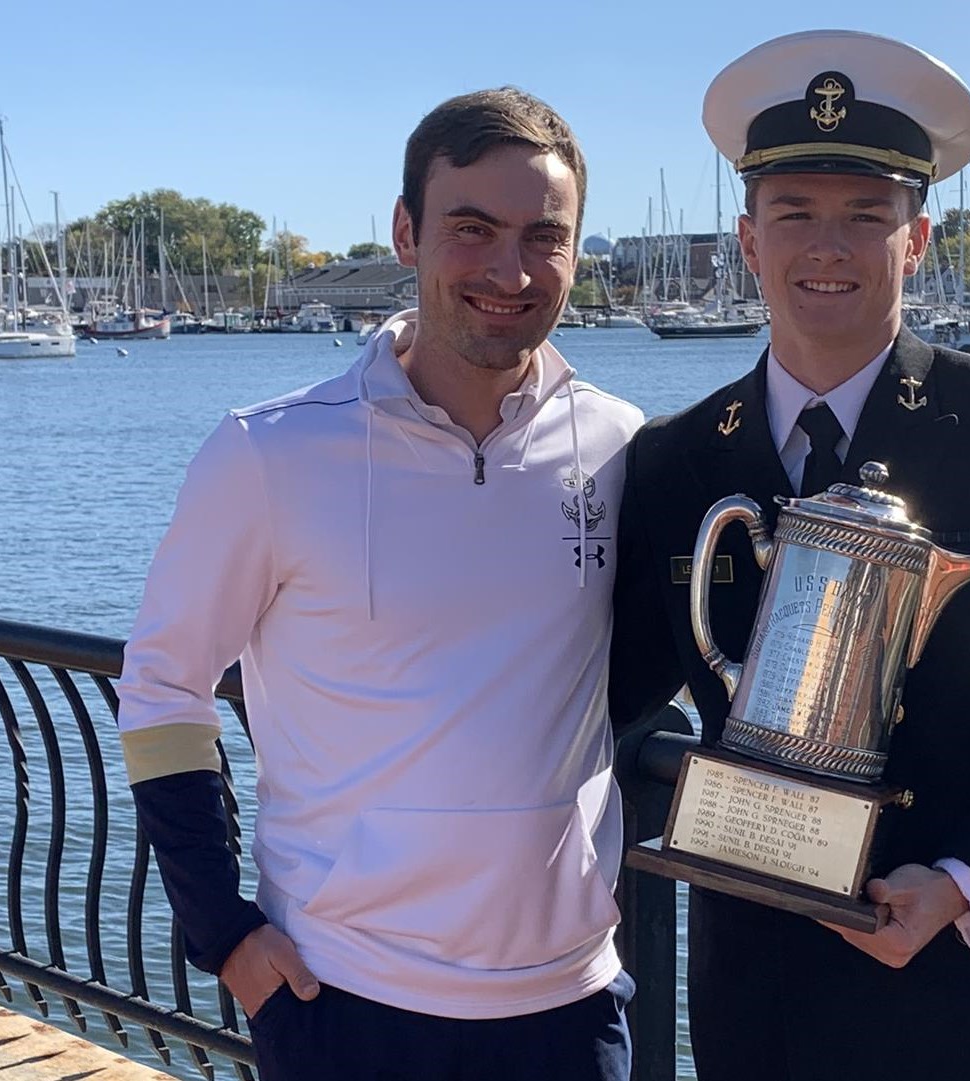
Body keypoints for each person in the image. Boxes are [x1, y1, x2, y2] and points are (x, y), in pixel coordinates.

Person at [608, 31, 970, 1080]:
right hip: (757, 1009)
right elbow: (608, 693)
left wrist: (966, 881)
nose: (829, 247)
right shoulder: (674, 462)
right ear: (747, 239)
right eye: (796, 215)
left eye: (867, 216)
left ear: (918, 240)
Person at [117, 88, 642, 1081]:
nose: (510, 269)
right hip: (343, 1001)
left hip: (570, 1008)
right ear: (406, 232)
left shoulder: (618, 445)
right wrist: (223, 932)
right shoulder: (269, 451)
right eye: (472, 229)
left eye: (546, 236)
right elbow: (162, 687)